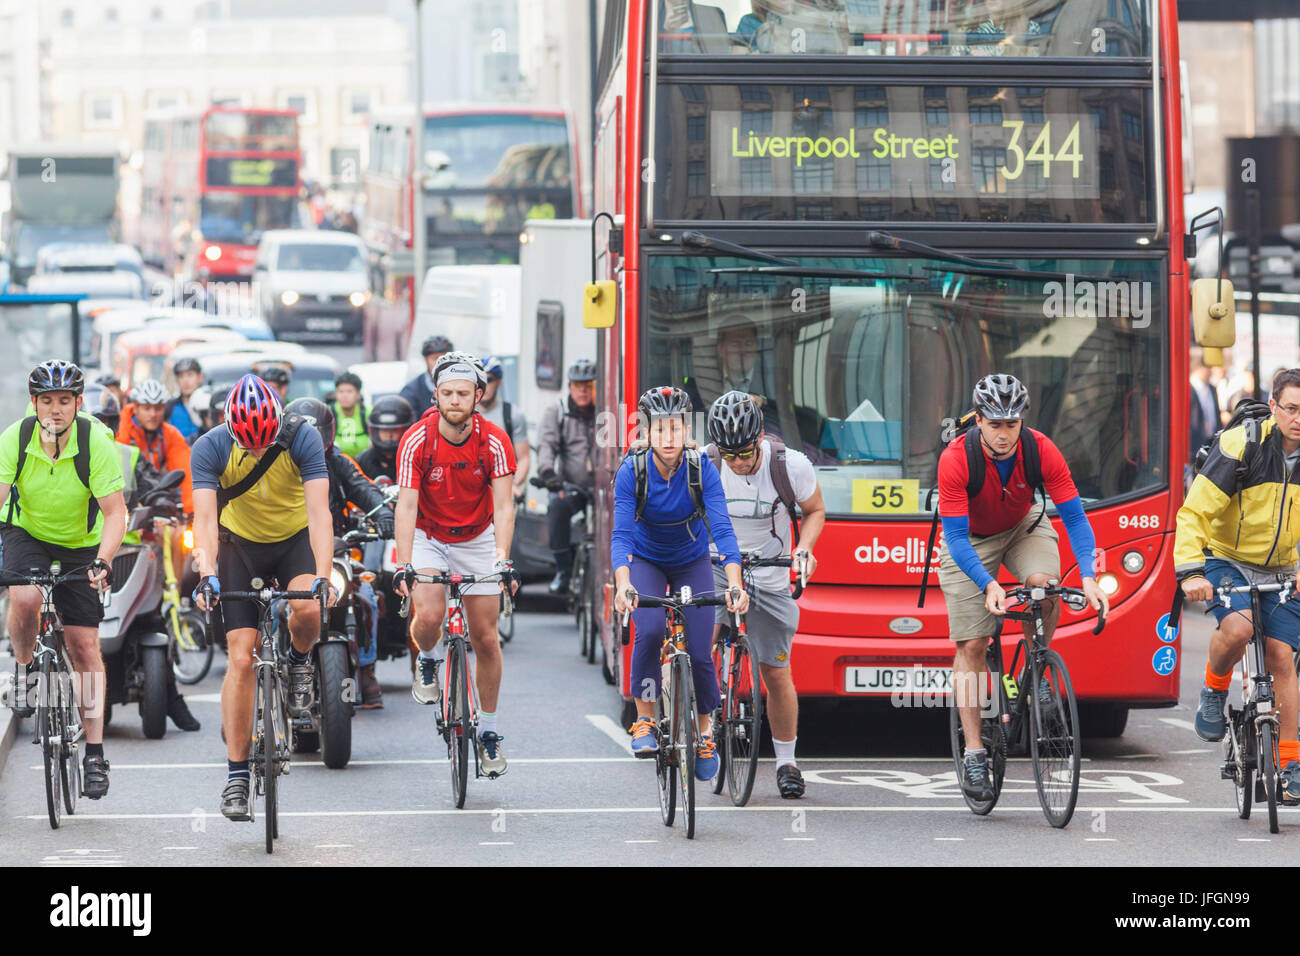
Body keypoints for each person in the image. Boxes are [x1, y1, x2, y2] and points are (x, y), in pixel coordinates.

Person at [938, 373, 1108, 801]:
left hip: (1022, 527)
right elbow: (956, 539)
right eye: (994, 424)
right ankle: (975, 751)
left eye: (1011, 424)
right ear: (978, 420)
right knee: (973, 645)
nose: (1003, 433)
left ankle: (1038, 665)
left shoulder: (1040, 449)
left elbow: (1074, 519)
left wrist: (1087, 574)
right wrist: (989, 584)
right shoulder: (956, 458)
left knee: (1046, 586)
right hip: (970, 541)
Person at [190, 373, 336, 821]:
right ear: (230, 428)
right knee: (239, 657)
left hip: (293, 540)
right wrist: (208, 573)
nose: (255, 452)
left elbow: (318, 514)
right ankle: (236, 775)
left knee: (307, 608)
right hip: (239, 545)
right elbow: (206, 521)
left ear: (277, 423)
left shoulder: (302, 437)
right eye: (247, 446)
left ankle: (297, 663)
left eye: (263, 443)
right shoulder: (210, 447)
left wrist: (324, 576)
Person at [1, 361, 127, 799]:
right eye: (46, 401)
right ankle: (22, 672)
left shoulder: (96, 441)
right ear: (33, 403)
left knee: (85, 647)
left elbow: (115, 512)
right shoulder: (15, 440)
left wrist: (105, 560)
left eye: (64, 401)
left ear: (78, 403)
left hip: (82, 544)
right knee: (22, 598)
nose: (55, 410)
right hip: (27, 533)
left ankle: (94, 753)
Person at [611, 386, 748, 781]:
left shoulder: (701, 467)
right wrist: (623, 585)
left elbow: (722, 529)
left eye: (676, 428)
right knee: (651, 631)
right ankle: (645, 720)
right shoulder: (631, 470)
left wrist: (735, 585)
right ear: (647, 432)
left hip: (691, 561)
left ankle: (705, 732)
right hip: (648, 560)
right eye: (660, 429)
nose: (669, 437)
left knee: (702, 652)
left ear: (687, 429)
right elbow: (621, 536)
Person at [1178, 367, 1300, 799]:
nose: (1298, 418)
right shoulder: (1241, 445)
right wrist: (1192, 573)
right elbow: (1194, 513)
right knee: (1239, 628)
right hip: (1225, 557)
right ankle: (1213, 688)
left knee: (1282, 656)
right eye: (1291, 408)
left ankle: (1290, 761)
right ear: (1273, 407)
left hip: (1282, 568)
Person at [393, 350, 517, 777]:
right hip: (429, 535)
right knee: (428, 616)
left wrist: (502, 559)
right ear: (436, 395)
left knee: (485, 637)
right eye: (446, 393)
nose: (454, 400)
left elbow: (504, 505)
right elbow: (406, 506)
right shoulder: (416, 439)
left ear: (478, 395)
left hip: (479, 537)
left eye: (463, 393)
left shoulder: (496, 440)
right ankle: (427, 658)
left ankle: (489, 733)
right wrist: (404, 563)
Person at [705, 390, 825, 798]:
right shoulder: (707, 464)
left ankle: (787, 761)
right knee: (699, 651)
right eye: (730, 454)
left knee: (775, 672)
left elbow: (815, 511)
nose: (738, 463)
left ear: (759, 439)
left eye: (744, 454)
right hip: (715, 565)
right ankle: (704, 736)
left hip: (770, 571)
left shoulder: (790, 466)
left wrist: (803, 550)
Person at [87, 384, 200, 732]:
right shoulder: (59, 455)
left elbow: (160, 482)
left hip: (129, 549)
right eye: (94, 420)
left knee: (152, 618)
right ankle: (39, 685)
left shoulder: (126, 455)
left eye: (107, 420)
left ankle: (170, 697)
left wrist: (172, 504)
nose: (101, 427)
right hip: (79, 555)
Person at [285, 398, 394, 709]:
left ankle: (366, 669)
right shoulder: (279, 462)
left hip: (339, 546)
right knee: (275, 604)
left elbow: (363, 487)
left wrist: (383, 513)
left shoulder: (339, 462)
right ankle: (279, 660)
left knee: (368, 597)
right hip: (292, 551)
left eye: (315, 434)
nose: (310, 442)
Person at [537, 358, 597, 594]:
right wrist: (548, 472)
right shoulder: (558, 411)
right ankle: (563, 570)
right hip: (572, 485)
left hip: (604, 487)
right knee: (557, 507)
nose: (583, 390)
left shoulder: (607, 409)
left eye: (588, 385)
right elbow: (546, 445)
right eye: (577, 385)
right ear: (570, 386)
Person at [476, 356, 529, 498]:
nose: (484, 385)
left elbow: (523, 458)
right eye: (480, 380)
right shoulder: (464, 413)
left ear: (499, 382)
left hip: (504, 485)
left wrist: (513, 485)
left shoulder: (513, 414)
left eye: (490, 380)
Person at [356, 395, 414, 482]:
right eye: (384, 430)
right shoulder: (362, 461)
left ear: (405, 430)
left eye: (394, 430)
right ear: (375, 431)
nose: (389, 435)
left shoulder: (414, 460)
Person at [399, 335, 454, 414]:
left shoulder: (463, 386)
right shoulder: (411, 391)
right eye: (435, 358)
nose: (440, 362)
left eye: (445, 358)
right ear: (425, 360)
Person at [332, 372, 370, 459]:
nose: (344, 396)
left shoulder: (368, 412)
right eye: (341, 391)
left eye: (349, 391)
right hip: (337, 463)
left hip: (364, 462)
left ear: (358, 394)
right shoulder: (328, 413)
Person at [1189, 348, 1219, 455]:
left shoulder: (1212, 389)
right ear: (1198, 368)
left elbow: (1216, 416)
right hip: (1193, 445)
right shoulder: (1188, 389)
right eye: (1208, 367)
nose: (1211, 371)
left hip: (1211, 443)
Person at [167, 357, 204, 439]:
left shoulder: (208, 405)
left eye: (190, 375)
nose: (185, 380)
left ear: (200, 377)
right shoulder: (170, 407)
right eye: (181, 376)